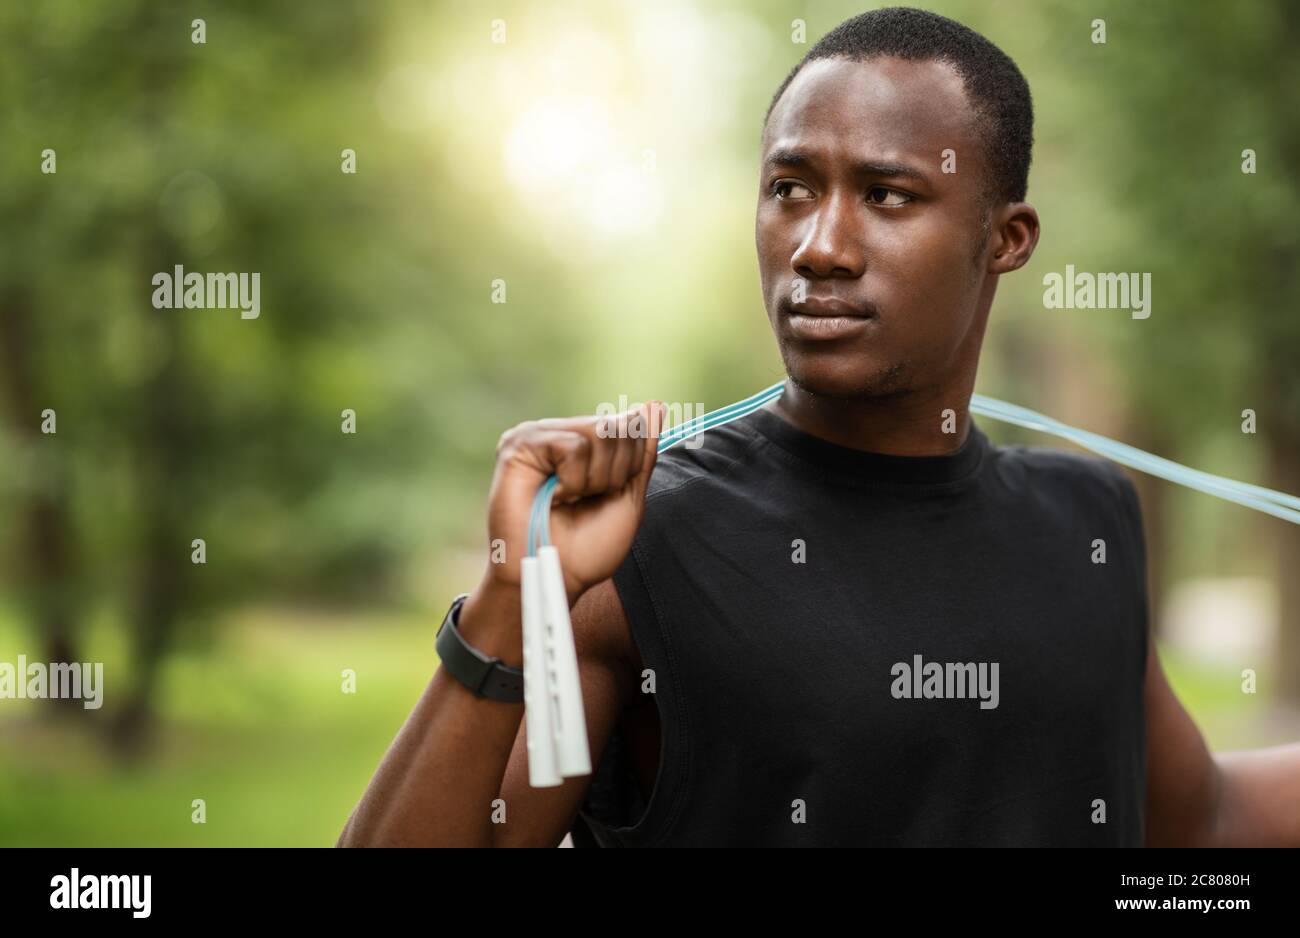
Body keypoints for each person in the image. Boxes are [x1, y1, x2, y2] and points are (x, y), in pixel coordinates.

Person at [338, 7, 1300, 847]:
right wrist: (513, 593)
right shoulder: (637, 549)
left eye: (887, 196)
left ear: (1005, 239)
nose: (820, 246)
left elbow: (1203, 823)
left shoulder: (1090, 523)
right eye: (791, 187)